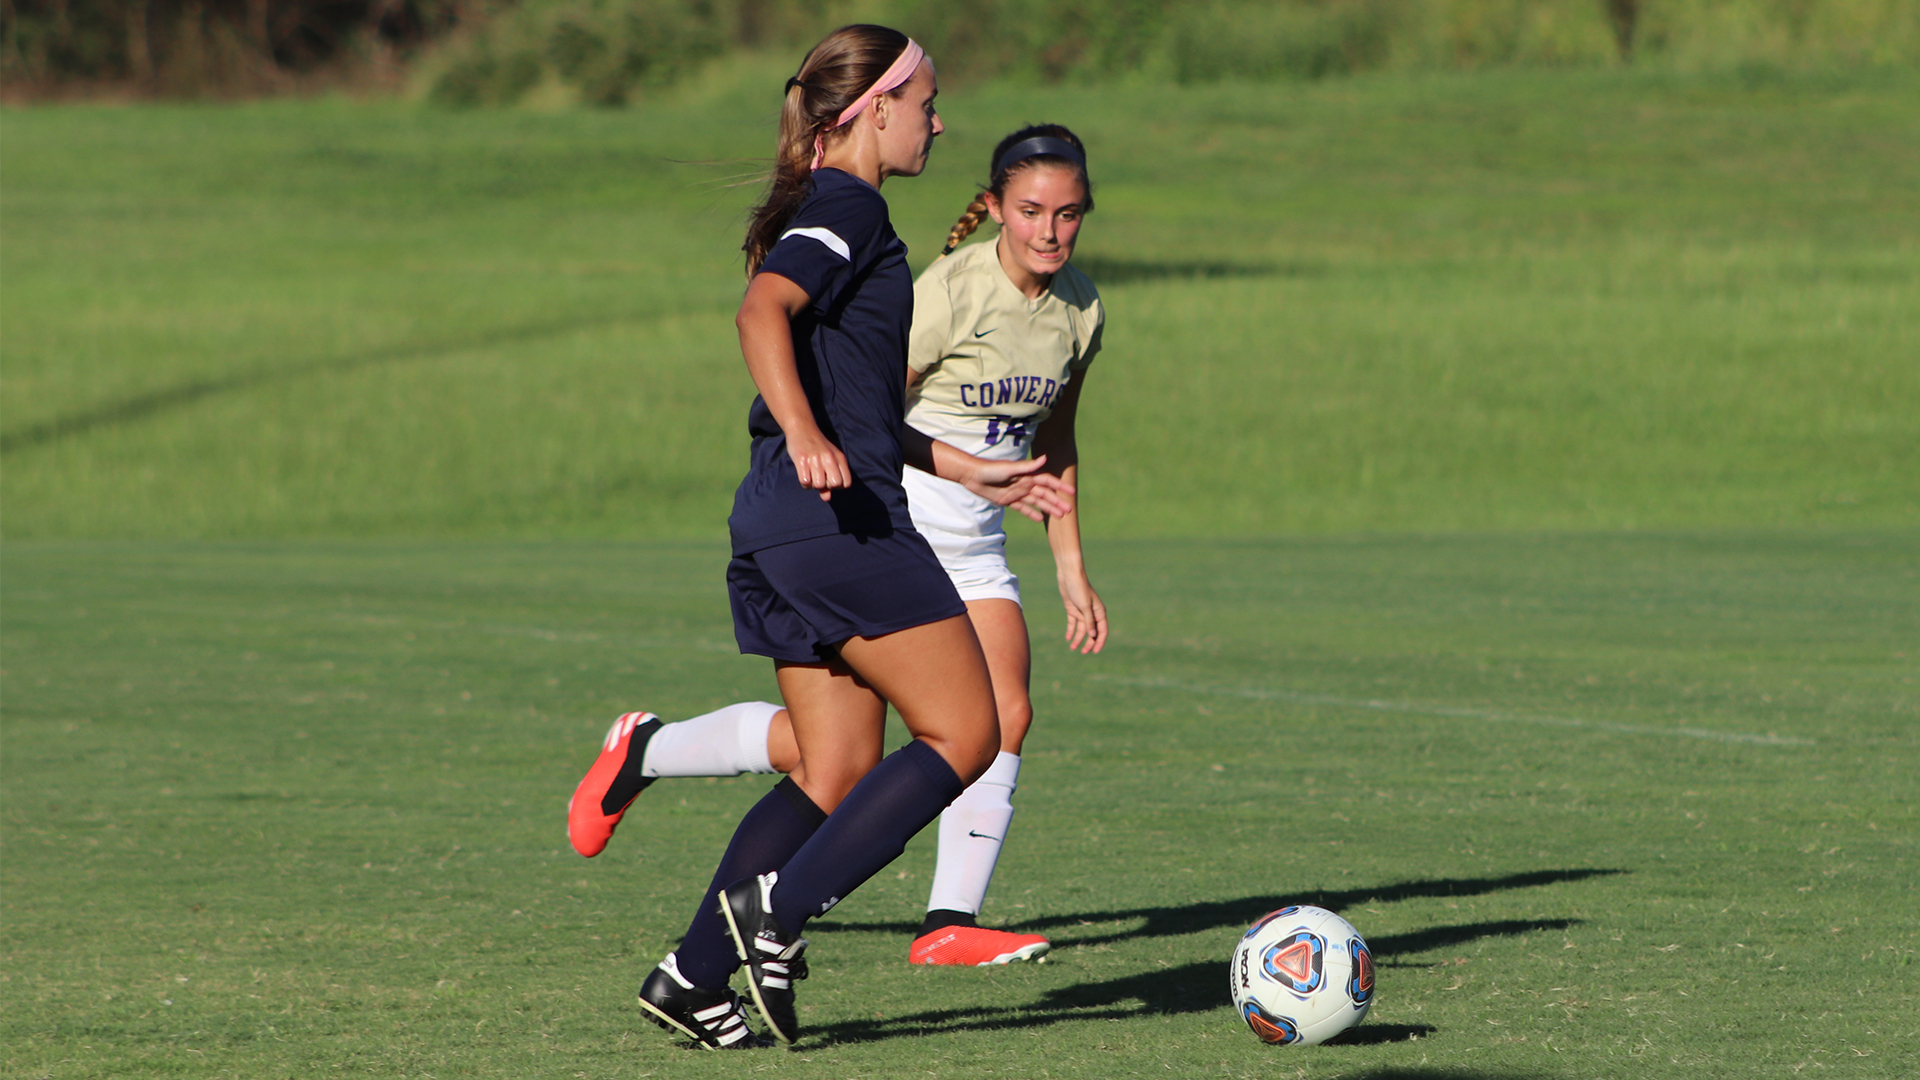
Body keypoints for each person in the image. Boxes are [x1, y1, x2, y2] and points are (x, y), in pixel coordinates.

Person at [565, 26, 1075, 1050]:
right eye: (925, 101)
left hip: (779, 526)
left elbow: (861, 406)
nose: (938, 119)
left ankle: (691, 978)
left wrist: (957, 466)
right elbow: (763, 312)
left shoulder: (830, 208)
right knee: (969, 734)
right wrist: (804, 434)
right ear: (871, 110)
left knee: (833, 766)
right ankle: (777, 914)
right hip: (837, 523)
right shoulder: (849, 206)